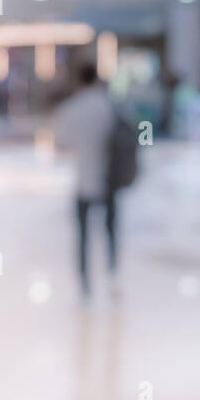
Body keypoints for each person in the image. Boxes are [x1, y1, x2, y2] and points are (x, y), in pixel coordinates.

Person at [53, 63, 119, 299]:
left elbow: (60, 145)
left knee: (83, 235)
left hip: (83, 180)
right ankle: (112, 271)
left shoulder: (72, 108)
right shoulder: (108, 106)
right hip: (109, 178)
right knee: (110, 229)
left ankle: (84, 281)